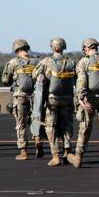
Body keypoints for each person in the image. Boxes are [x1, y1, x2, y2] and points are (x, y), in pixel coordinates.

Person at [66, 38, 99, 169]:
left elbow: (81, 80)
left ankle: (78, 157)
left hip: (89, 100)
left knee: (85, 129)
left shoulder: (84, 61)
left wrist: (81, 98)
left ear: (86, 48)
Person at [34, 37, 77, 166]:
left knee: (50, 126)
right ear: (64, 47)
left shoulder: (46, 61)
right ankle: (67, 151)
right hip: (68, 99)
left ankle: (55, 155)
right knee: (67, 125)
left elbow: (35, 75)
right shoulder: (71, 62)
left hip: (52, 100)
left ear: (52, 47)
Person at [2, 39, 39, 160]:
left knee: (20, 124)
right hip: (35, 97)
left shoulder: (13, 62)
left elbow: (5, 80)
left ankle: (23, 151)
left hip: (20, 96)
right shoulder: (36, 61)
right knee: (36, 121)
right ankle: (38, 140)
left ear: (16, 50)